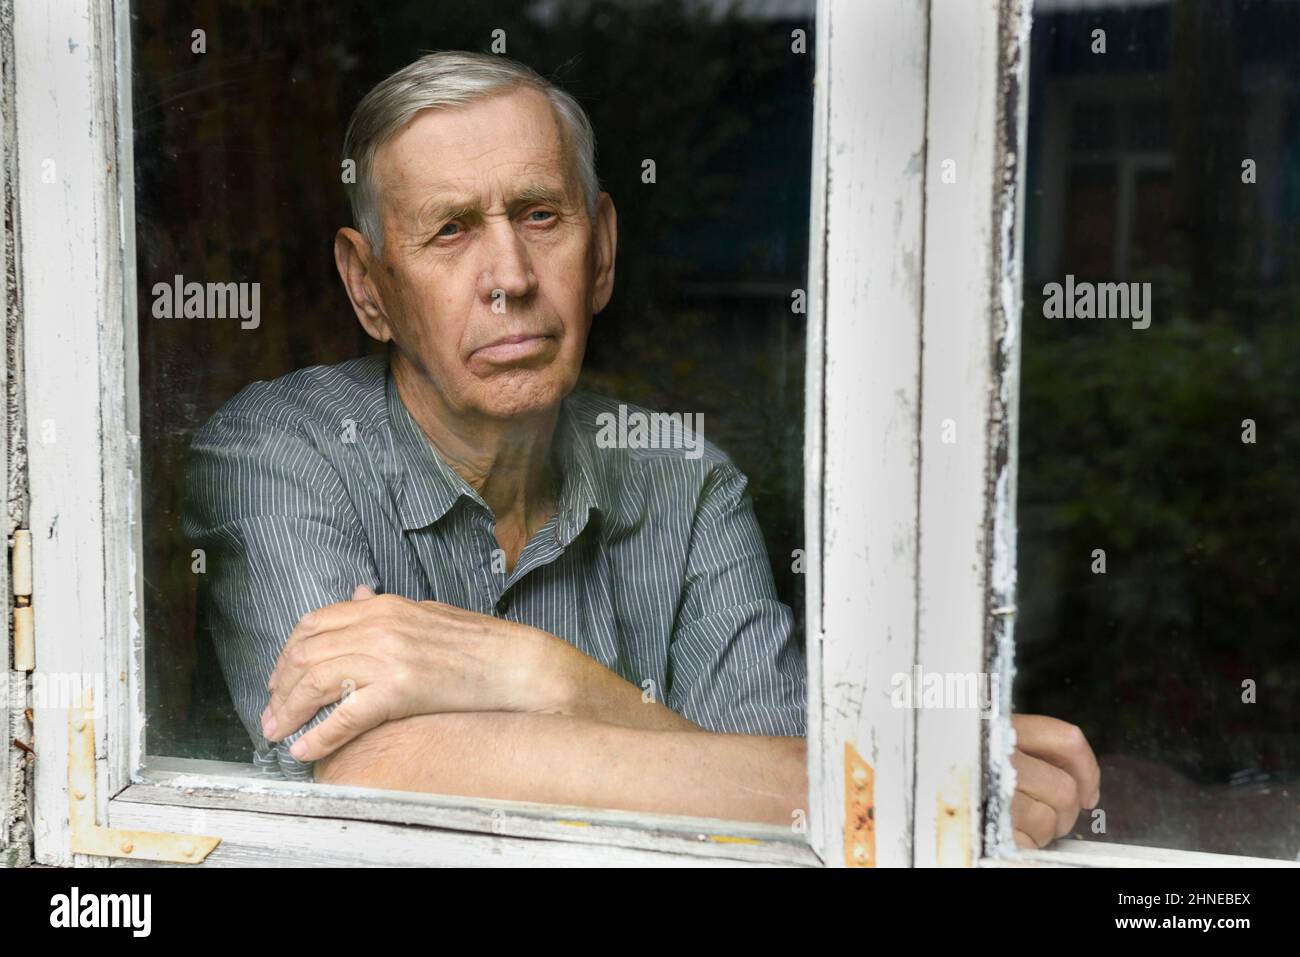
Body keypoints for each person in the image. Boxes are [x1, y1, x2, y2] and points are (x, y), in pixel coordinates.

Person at [183, 51, 1098, 840]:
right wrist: (879, 787)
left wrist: (535, 673)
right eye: (451, 230)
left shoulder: (686, 482)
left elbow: (769, 795)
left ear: (604, 250)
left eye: (541, 215)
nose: (509, 278)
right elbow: (370, 765)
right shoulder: (276, 454)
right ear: (368, 287)